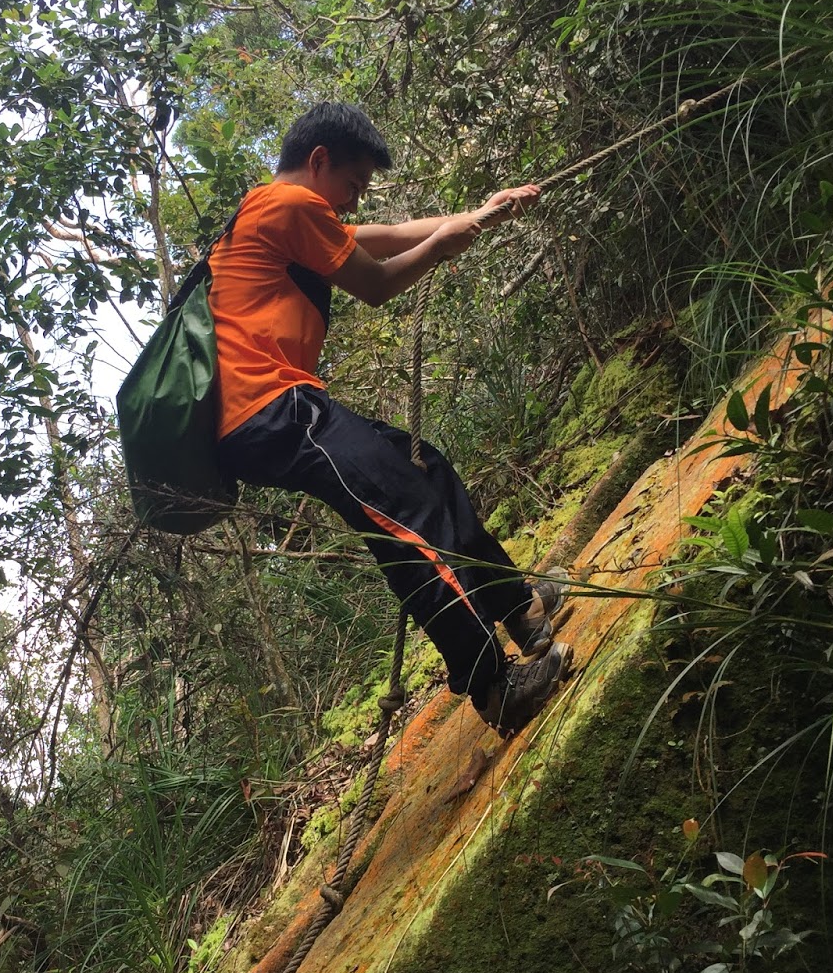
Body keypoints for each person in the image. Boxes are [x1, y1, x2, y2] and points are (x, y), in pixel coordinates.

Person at [209, 102, 570, 735]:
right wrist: (443, 245)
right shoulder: (284, 206)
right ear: (318, 162)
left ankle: (520, 609)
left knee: (421, 469)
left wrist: (485, 211)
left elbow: (396, 232)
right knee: (408, 518)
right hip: (266, 412)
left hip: (280, 408)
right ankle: (494, 687)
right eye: (351, 186)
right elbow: (377, 281)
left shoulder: (281, 214)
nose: (352, 204)